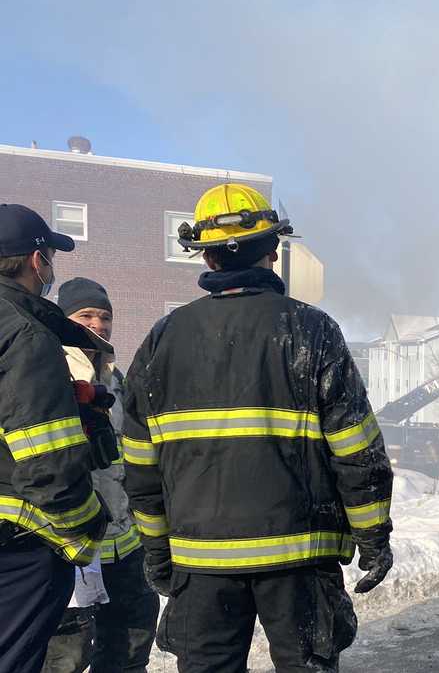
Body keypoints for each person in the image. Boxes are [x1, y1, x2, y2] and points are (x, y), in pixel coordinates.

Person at [122, 184, 393, 672]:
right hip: (299, 560)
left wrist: (158, 552)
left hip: (201, 565)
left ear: (206, 257)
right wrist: (373, 535)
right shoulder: (312, 330)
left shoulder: (162, 340)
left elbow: (141, 463)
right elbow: (356, 449)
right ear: (272, 250)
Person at [0, 203, 109, 673]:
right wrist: (86, 526)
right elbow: (47, 463)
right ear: (36, 260)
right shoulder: (26, 335)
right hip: (19, 551)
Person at [40, 278, 160, 673]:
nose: (98, 324)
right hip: (69, 544)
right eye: (86, 315)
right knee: (66, 656)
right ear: (65, 320)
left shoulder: (117, 380)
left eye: (105, 317)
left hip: (124, 544)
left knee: (130, 648)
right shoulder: (45, 373)